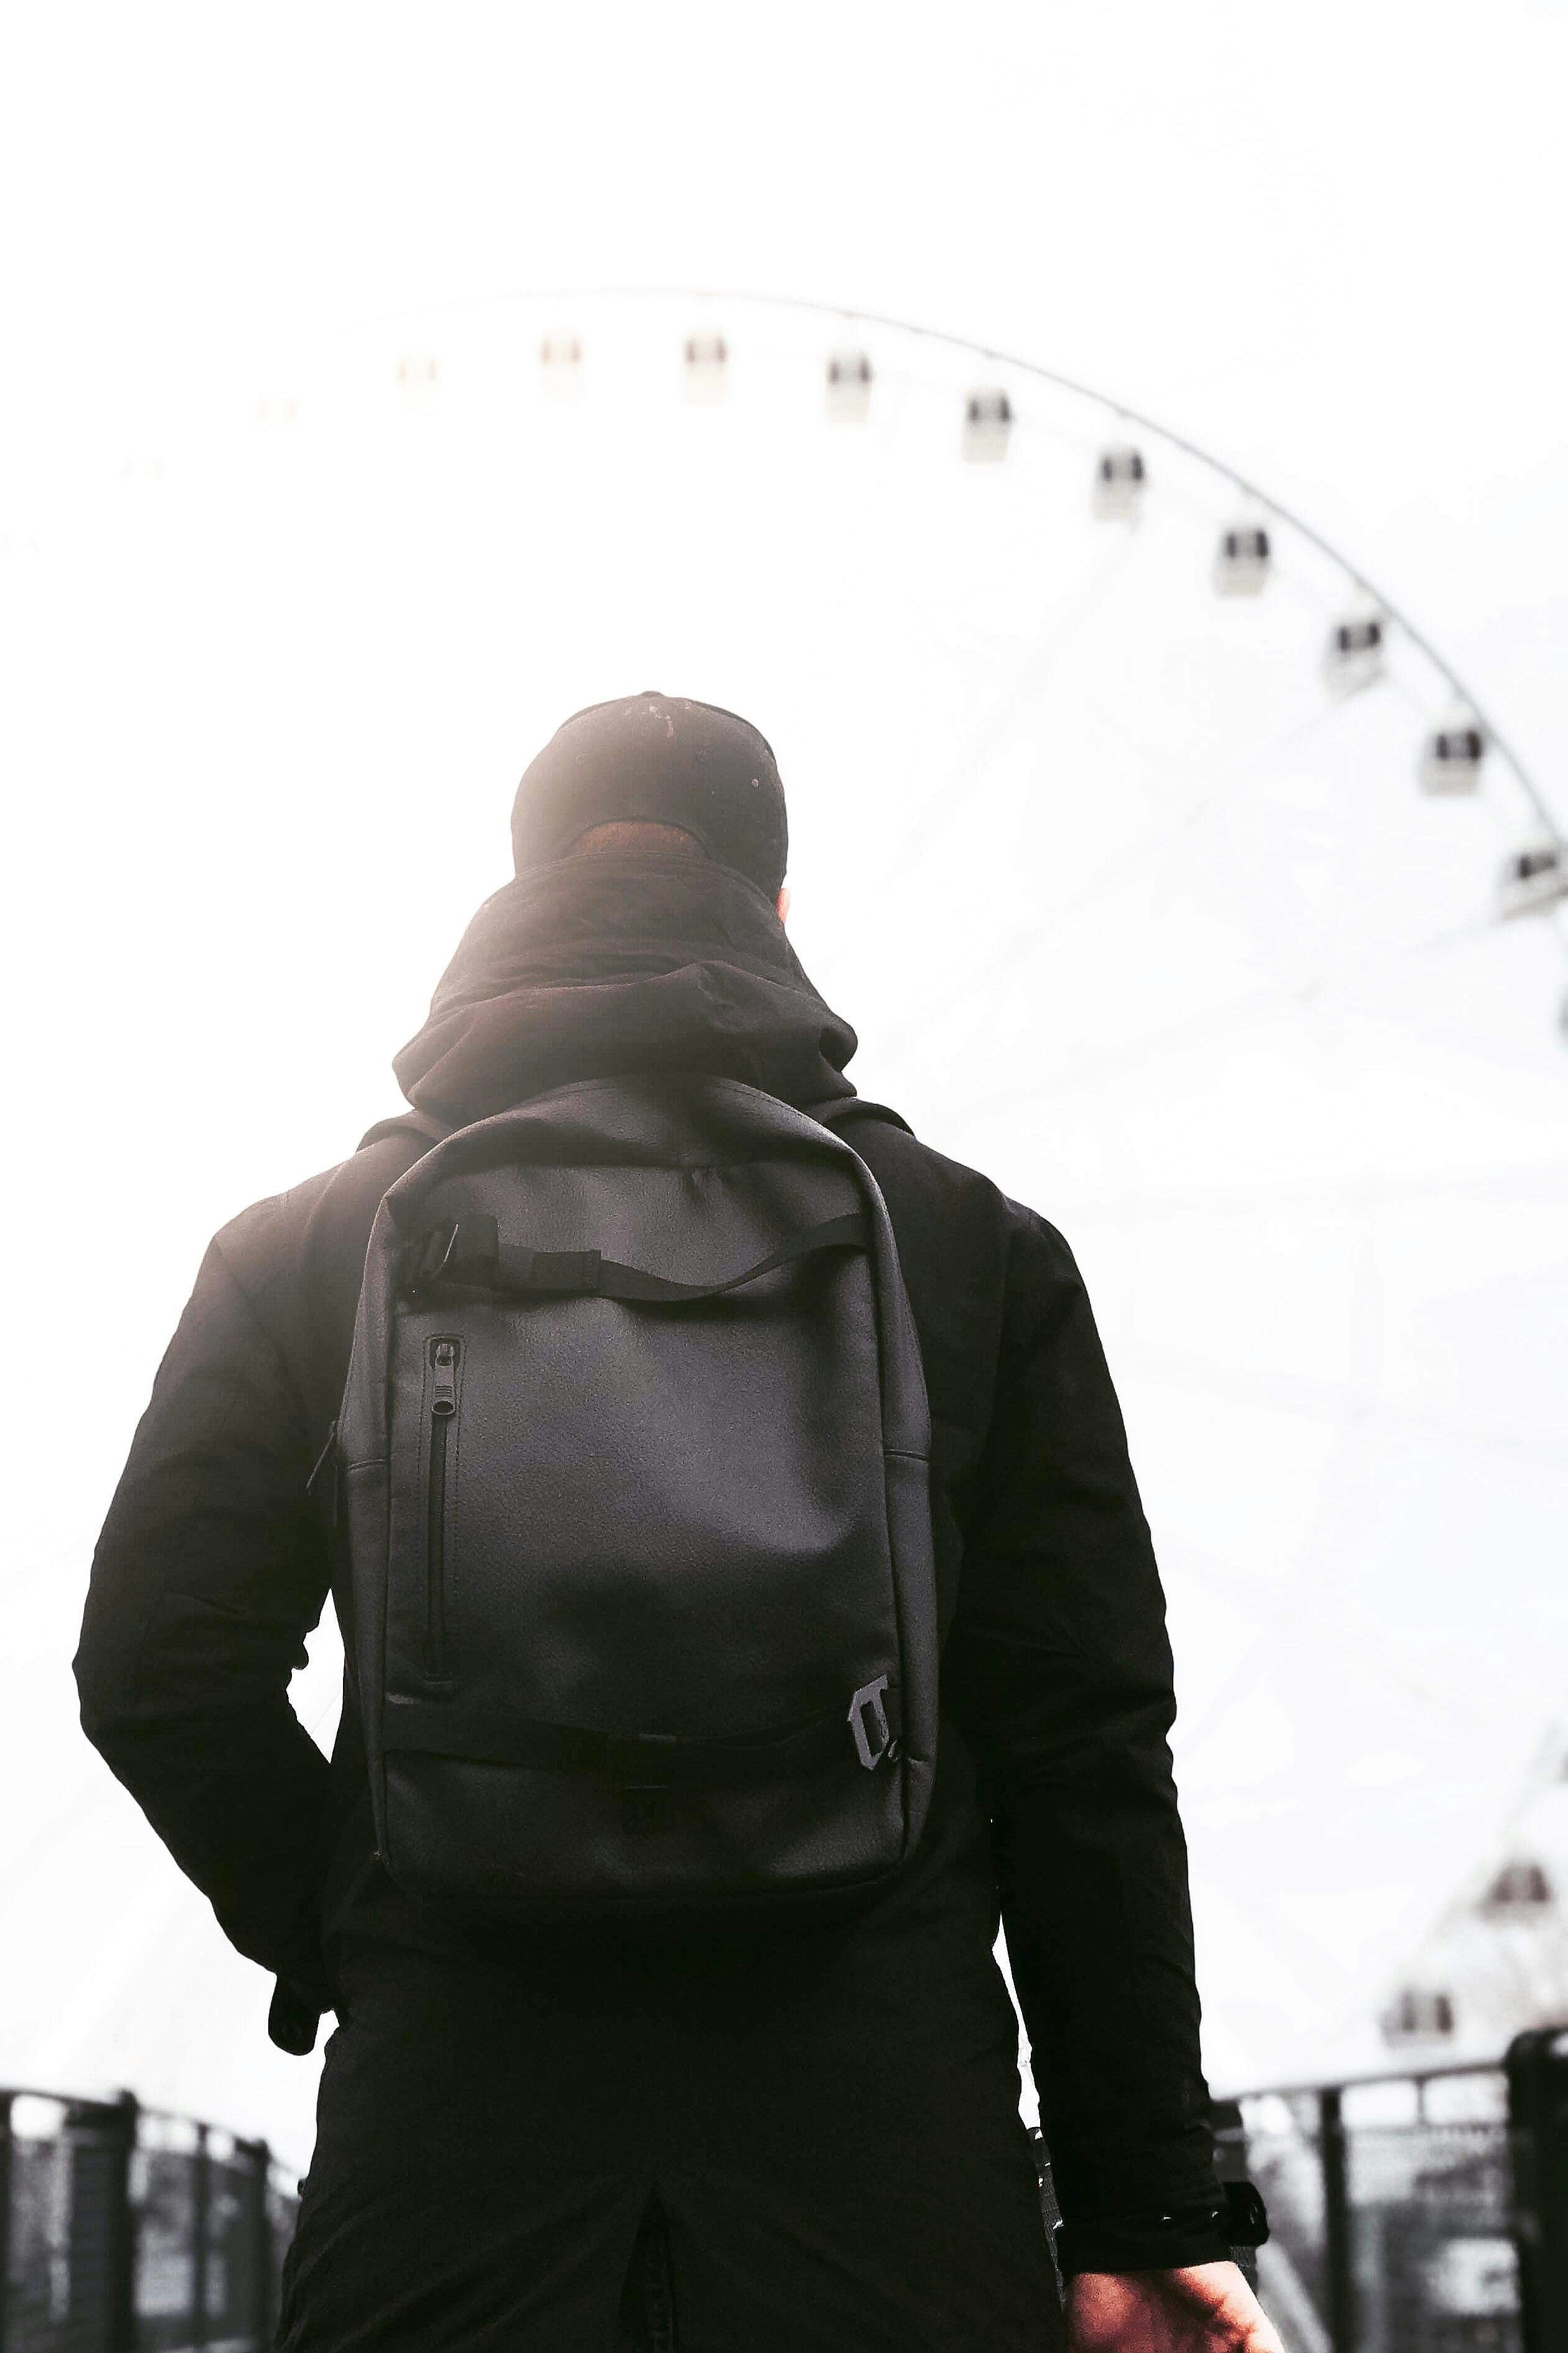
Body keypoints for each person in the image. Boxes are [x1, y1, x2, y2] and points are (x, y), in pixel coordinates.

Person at [74, 693, 1284, 2352]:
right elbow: (1087, 1750)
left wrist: (367, 1923)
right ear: (778, 908)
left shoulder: (308, 1246)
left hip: (451, 2172)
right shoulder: (971, 1247)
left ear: (517, 890)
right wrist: (1143, 2211)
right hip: (887, 2180)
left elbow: (156, 1665)